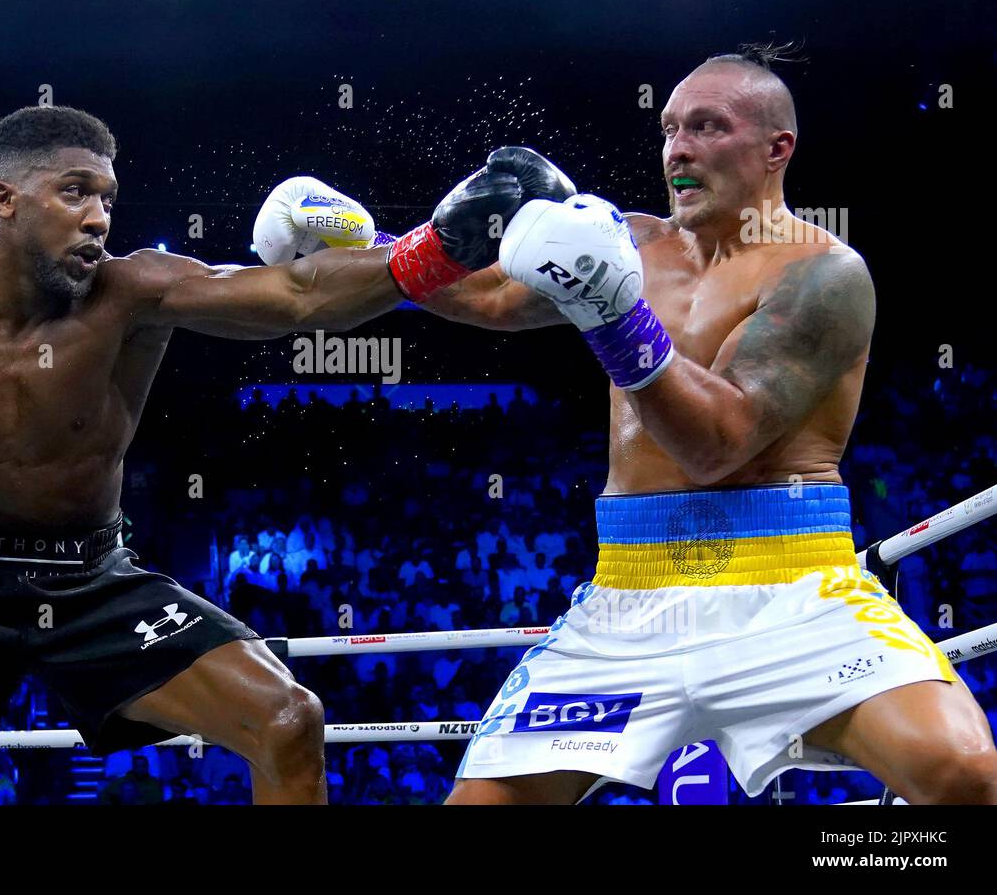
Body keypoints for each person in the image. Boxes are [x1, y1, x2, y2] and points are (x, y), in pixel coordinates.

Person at [0, 104, 560, 805]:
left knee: (288, 720)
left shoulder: (133, 291)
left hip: (95, 582)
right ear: (3, 200)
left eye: (107, 197)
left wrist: (439, 247)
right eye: (75, 192)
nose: (100, 218)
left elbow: (295, 295)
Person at [282, 46, 997, 804]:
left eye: (707, 128)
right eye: (669, 129)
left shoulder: (824, 274)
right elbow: (484, 298)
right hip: (629, 593)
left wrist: (614, 315)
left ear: (775, 148)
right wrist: (363, 245)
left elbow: (719, 443)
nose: (678, 149)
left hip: (791, 583)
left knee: (965, 775)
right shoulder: (631, 244)